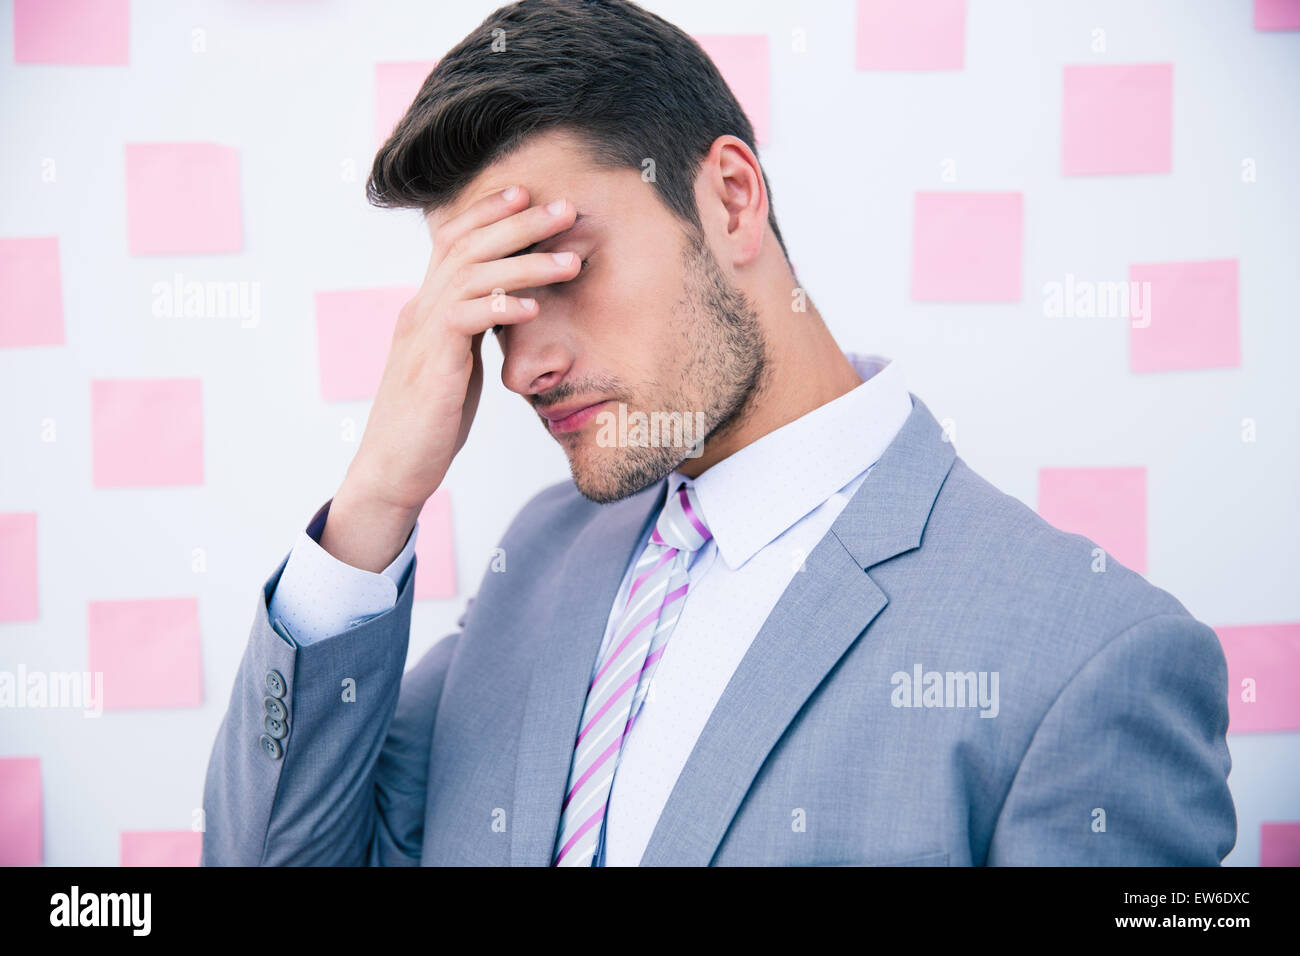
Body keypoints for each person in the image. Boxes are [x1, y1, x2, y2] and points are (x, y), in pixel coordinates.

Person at [201, 0, 1235, 866]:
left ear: (732, 200)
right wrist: (377, 499)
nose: (522, 369)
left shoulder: (1090, 659)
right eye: (496, 310)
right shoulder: (541, 560)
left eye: (559, 266)